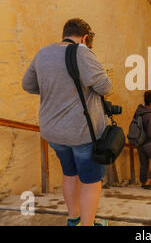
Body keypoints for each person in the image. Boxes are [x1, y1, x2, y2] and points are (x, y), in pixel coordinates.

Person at [22, 18, 112, 226]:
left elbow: (28, 85)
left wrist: (56, 90)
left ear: (64, 34)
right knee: (90, 181)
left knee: (70, 174)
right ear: (85, 38)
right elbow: (106, 87)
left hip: (53, 132)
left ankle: (74, 220)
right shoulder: (83, 52)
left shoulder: (42, 53)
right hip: (81, 132)